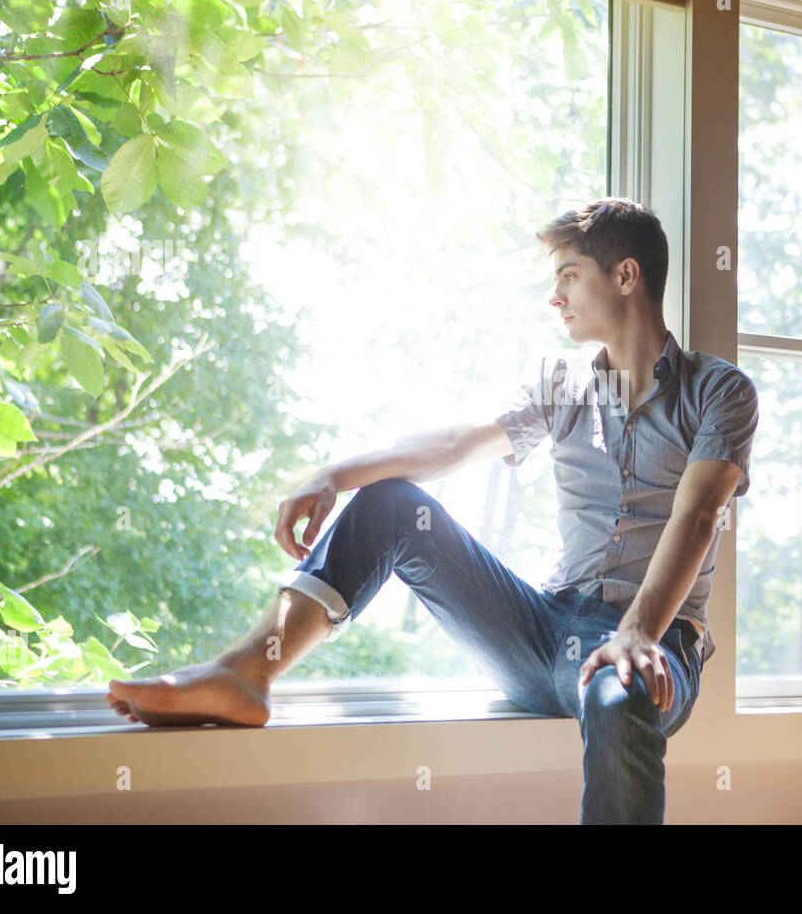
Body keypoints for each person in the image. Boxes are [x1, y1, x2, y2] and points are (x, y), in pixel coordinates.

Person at [105, 197, 759, 823]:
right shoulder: (559, 380)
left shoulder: (720, 391)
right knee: (391, 502)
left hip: (656, 646)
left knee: (618, 698)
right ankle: (243, 674)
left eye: (568, 275)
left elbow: (697, 514)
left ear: (625, 275)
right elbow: (452, 443)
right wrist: (335, 473)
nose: (552, 296)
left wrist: (637, 632)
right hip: (543, 633)